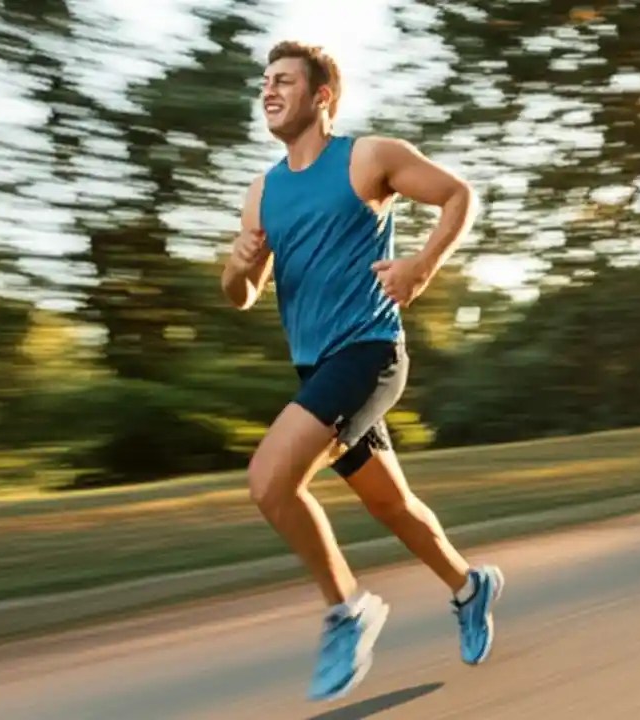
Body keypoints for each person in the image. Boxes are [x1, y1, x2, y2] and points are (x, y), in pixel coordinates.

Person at [220, 40, 504, 702]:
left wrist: (421, 266)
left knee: (268, 480)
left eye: (284, 81)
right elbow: (243, 295)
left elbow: (458, 196)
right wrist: (236, 264)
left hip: (370, 351)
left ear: (321, 97)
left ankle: (348, 608)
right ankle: (470, 585)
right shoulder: (261, 193)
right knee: (389, 503)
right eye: (264, 82)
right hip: (316, 369)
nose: (269, 91)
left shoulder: (367, 158)